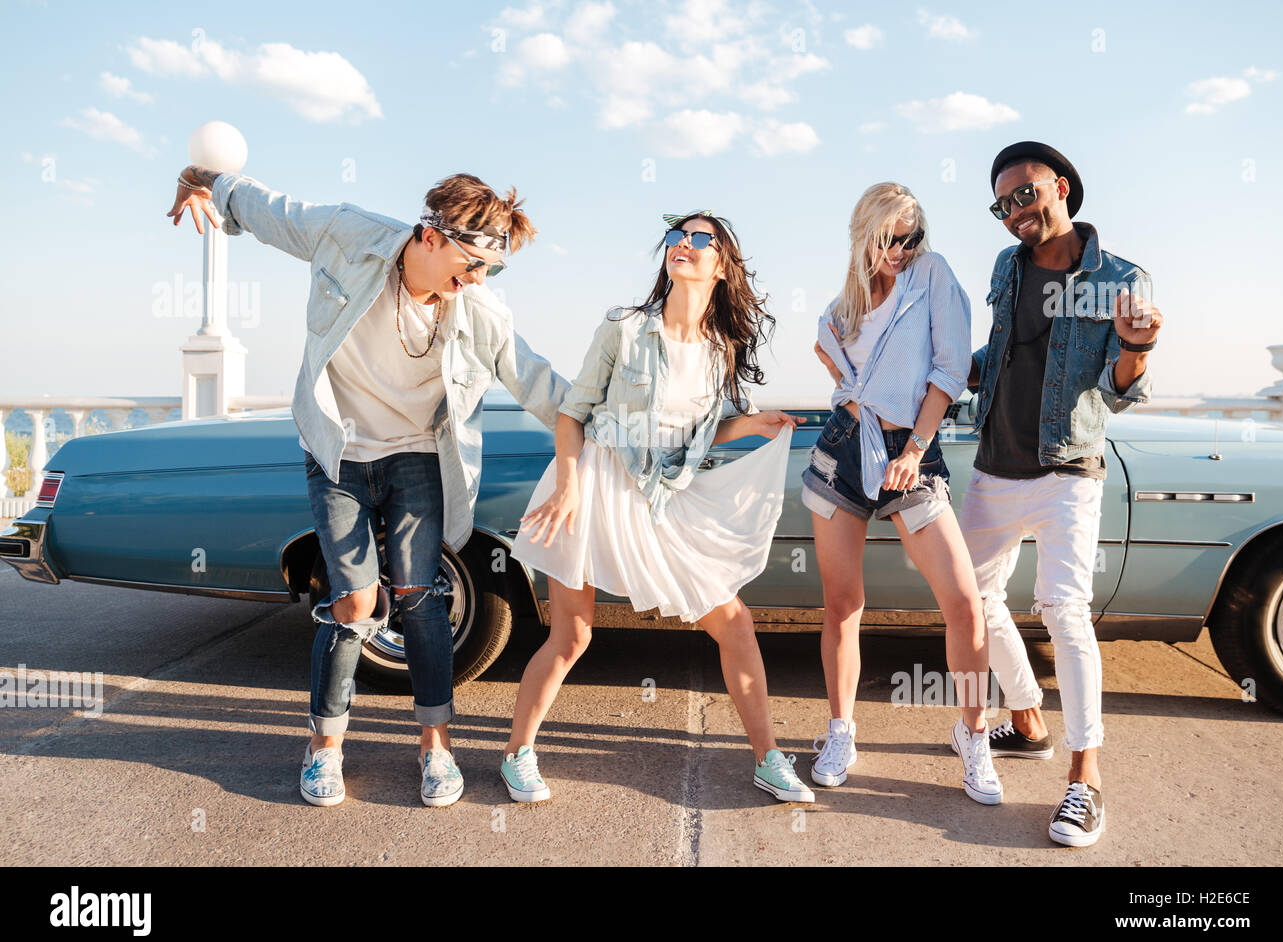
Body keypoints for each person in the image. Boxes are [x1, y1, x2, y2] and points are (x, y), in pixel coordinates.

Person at [166, 166, 569, 809]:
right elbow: (274, 208)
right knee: (354, 605)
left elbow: (542, 384)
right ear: (432, 236)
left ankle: (435, 746)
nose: (478, 281)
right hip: (339, 450)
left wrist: (621, 436)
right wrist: (202, 180)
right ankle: (325, 748)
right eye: (472, 265)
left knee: (419, 598)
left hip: (416, 457)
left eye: (492, 270)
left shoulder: (479, 309)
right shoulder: (349, 236)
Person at [500, 210, 814, 804]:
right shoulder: (623, 328)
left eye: (701, 240)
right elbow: (573, 413)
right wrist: (568, 485)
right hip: (594, 483)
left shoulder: (721, 348)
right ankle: (518, 753)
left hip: (662, 494)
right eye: (677, 236)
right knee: (572, 636)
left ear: (723, 267)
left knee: (735, 622)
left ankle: (769, 759)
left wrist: (752, 423)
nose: (684, 246)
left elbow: (699, 431)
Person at [961, 141, 1162, 846]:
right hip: (992, 465)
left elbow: (1115, 389)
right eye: (1003, 203)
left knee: (1063, 612)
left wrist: (1135, 349)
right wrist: (940, 369)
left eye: (1026, 194)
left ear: (1063, 188)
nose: (1016, 211)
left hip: (1065, 468)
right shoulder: (1005, 268)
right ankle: (1028, 718)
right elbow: (1000, 353)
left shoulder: (1119, 278)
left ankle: (1085, 780)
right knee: (973, 601)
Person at [808, 183, 1000, 804]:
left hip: (912, 451)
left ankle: (974, 737)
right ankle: (841, 732)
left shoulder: (932, 277)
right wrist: (843, 376)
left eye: (910, 237)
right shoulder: (844, 304)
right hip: (843, 449)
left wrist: (914, 450)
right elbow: (843, 371)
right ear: (864, 232)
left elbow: (948, 371)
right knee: (843, 603)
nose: (899, 249)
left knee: (963, 602)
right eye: (888, 237)